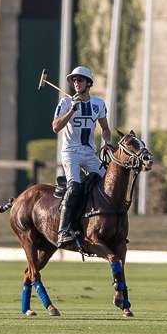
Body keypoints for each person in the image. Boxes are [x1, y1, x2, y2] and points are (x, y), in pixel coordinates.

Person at [51, 66, 111, 249]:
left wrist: (107, 142)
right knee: (75, 186)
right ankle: (64, 230)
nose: (76, 83)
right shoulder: (65, 102)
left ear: (89, 83)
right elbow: (55, 127)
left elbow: (105, 129)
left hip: (89, 153)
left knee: (109, 183)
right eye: (74, 80)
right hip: (71, 152)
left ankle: (108, 225)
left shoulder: (98, 104)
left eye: (80, 80)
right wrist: (71, 111)